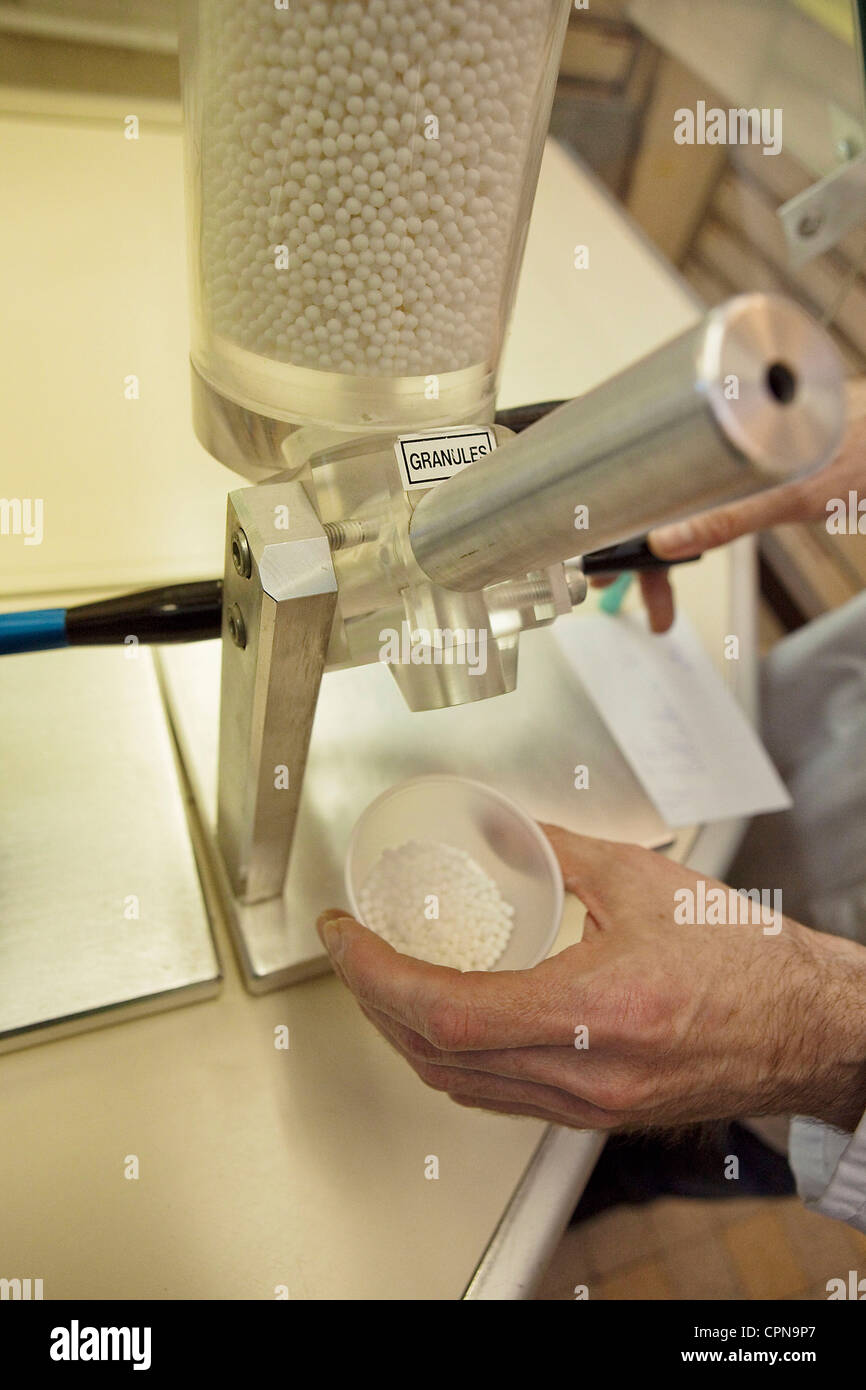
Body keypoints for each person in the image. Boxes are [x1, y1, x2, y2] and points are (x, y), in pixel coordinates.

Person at [317, 379, 866, 1235]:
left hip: (794, 1091)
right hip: (801, 738)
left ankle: (587, 1198)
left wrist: (828, 1044)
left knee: (588, 1157)